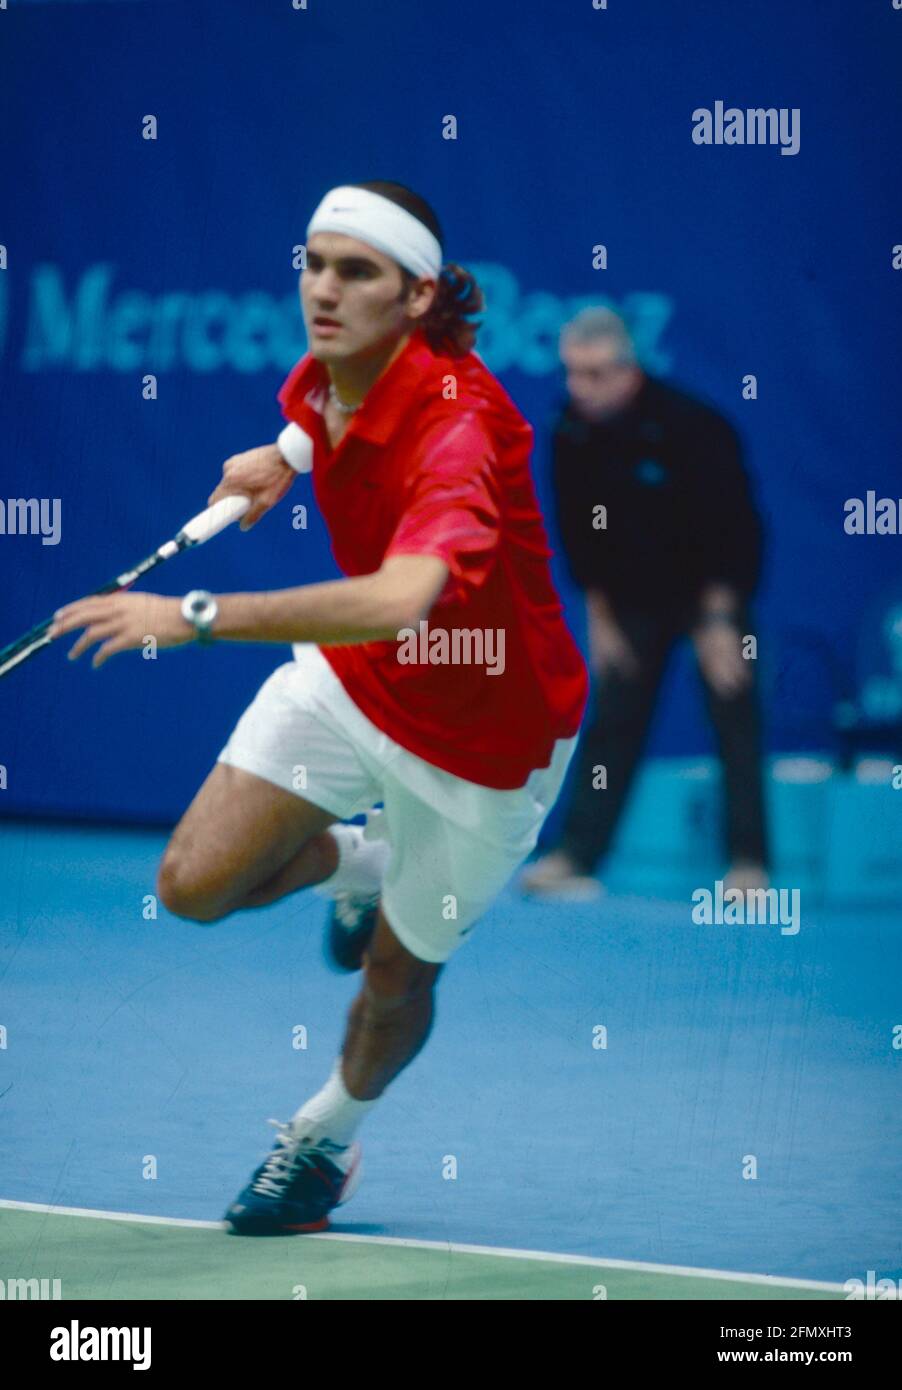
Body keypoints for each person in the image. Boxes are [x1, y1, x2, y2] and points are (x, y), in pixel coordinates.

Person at [49, 180, 589, 1234]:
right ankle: (366, 862)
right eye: (312, 262)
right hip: (354, 687)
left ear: (417, 295)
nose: (323, 289)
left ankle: (324, 1140)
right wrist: (284, 456)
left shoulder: (459, 429)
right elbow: (321, 413)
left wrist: (193, 615)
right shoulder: (325, 375)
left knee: (394, 976)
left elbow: (398, 598)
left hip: (486, 748)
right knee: (196, 886)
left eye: (356, 272)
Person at [520, 307, 768, 900]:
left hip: (712, 592)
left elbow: (735, 531)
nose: (581, 388)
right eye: (573, 374)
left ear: (630, 371)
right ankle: (578, 856)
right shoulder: (569, 432)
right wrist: (600, 621)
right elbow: (579, 534)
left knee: (734, 712)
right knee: (613, 719)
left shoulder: (695, 426)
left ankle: (749, 864)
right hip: (631, 599)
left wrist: (717, 621)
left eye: (596, 374)